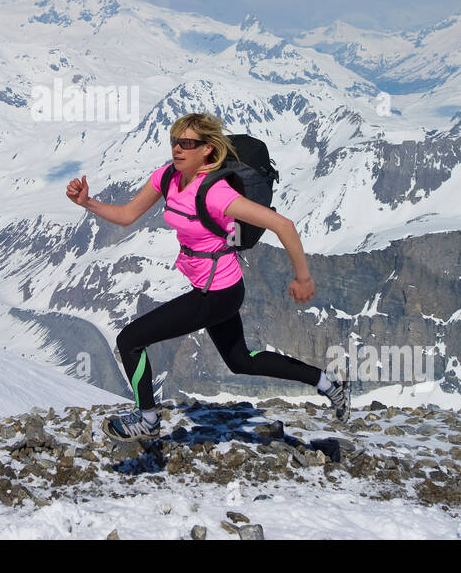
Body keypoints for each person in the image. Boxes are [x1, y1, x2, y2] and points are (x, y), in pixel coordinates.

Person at [66, 112, 348, 440]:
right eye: (175, 141)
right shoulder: (166, 177)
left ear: (208, 151)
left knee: (129, 341)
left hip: (217, 294)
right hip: (214, 287)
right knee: (241, 360)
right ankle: (328, 383)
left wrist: (303, 278)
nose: (178, 149)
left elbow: (283, 225)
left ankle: (147, 419)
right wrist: (88, 202)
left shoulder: (216, 194)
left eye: (188, 143)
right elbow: (128, 215)